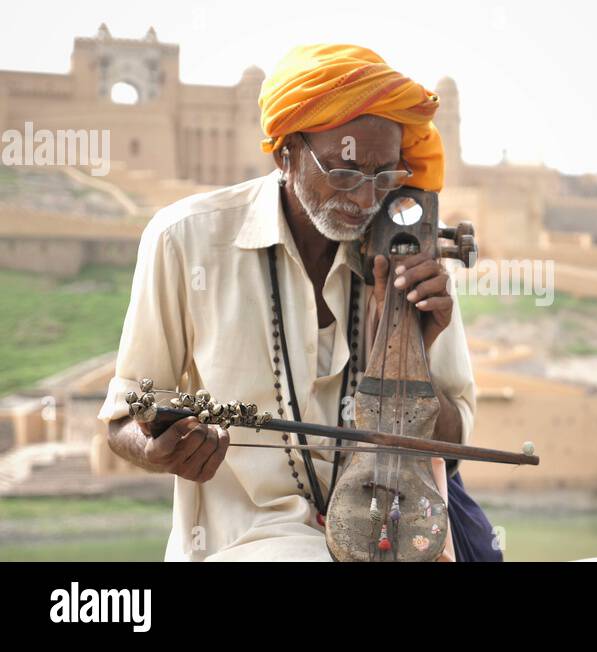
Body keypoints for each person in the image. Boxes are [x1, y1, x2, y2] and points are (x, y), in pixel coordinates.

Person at [99, 44, 500, 562]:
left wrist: (408, 360)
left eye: (385, 175)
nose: (364, 199)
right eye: (345, 172)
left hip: (384, 534)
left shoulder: (408, 254)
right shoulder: (183, 241)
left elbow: (453, 438)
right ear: (284, 153)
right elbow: (121, 419)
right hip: (249, 544)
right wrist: (157, 451)